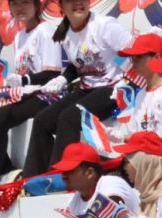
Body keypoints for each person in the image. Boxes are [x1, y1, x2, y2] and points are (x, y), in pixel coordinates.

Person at [20, 0, 134, 177]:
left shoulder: (104, 26)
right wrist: (63, 79)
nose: (78, 4)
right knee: (43, 120)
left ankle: (61, 177)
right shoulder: (65, 32)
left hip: (113, 88)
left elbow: (135, 53)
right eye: (71, 1)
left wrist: (127, 83)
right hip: (87, 88)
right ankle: (33, 179)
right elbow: (78, 64)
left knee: (69, 118)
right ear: (61, 7)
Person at [0, 0, 65, 178]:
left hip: (46, 95)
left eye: (25, 3)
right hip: (25, 94)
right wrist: (2, 83)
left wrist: (21, 81)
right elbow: (21, 77)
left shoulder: (46, 31)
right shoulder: (19, 36)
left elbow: (51, 75)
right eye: (15, 4)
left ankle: (0, 173)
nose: (20, 8)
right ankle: (3, 167)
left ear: (36, 5)